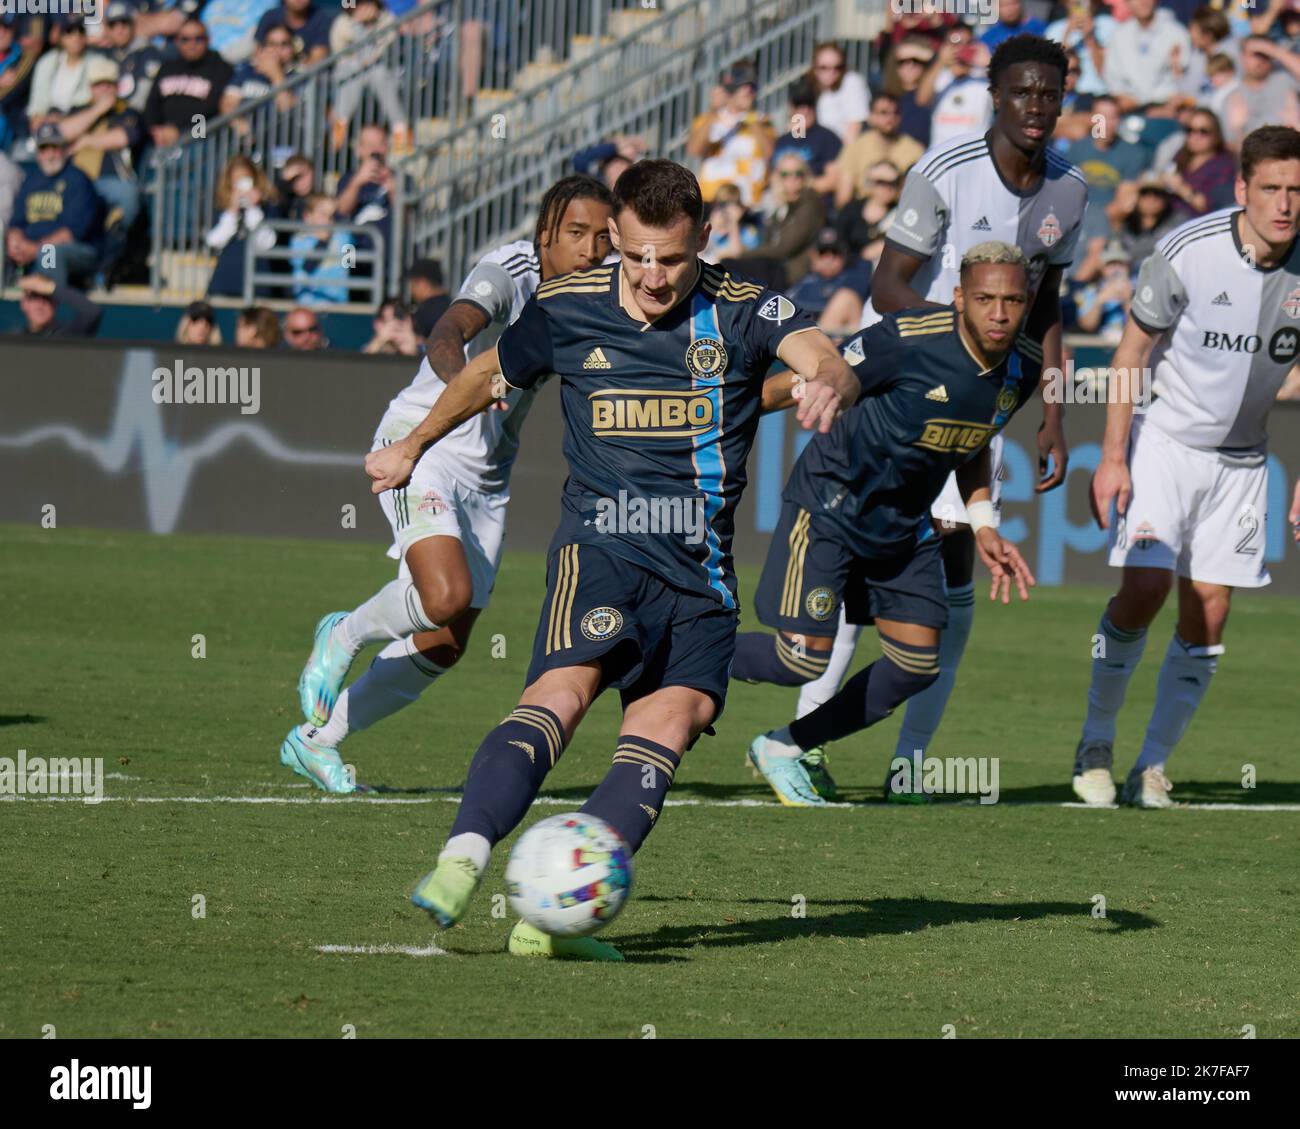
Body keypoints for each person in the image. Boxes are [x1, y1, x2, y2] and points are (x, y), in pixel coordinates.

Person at [364, 159, 859, 961]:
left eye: (670, 257)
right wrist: (414, 446)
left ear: (703, 237)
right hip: (600, 550)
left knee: (671, 722)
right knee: (558, 697)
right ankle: (463, 856)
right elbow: (489, 370)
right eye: (633, 256)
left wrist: (829, 381)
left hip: (699, 574)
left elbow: (821, 353)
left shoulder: (742, 307)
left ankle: (550, 914)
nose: (653, 276)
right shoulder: (566, 306)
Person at [789, 33, 1085, 802]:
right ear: (993, 94)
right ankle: (804, 744)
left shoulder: (1071, 190)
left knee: (952, 592)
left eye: (1049, 93)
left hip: (987, 403)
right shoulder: (944, 171)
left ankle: (909, 763)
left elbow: (1046, 304)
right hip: (910, 395)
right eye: (1021, 91)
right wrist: (954, 357)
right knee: (863, 577)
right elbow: (889, 287)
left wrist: (1052, 410)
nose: (1035, 106)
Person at [283, 176, 616, 792]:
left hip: (489, 480)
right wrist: (466, 382)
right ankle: (345, 632)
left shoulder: (605, 288)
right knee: (443, 595)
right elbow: (446, 332)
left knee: (444, 641)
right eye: (575, 233)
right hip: (422, 443)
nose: (591, 249)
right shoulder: (511, 268)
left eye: (603, 236)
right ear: (545, 236)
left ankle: (318, 742)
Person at [738, 244, 1037, 807]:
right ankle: (679, 648)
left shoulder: (1024, 368)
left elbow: (971, 442)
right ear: (959, 298)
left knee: (918, 661)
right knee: (798, 658)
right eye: (985, 299)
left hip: (903, 524)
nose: (998, 312)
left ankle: (785, 746)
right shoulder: (908, 337)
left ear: (1027, 303)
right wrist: (720, 414)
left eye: (1012, 300)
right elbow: (830, 372)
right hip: (831, 503)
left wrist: (984, 522)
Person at [1072, 126, 1300, 809]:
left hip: (1244, 462)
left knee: (1210, 612)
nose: (1286, 203)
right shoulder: (1189, 250)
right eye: (1271, 189)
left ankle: (1151, 766)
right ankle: (1095, 743)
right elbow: (1130, 354)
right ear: (1241, 189)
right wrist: (1113, 458)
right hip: (1166, 442)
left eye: (1297, 190)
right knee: (1144, 586)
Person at [59, 55, 144, 285]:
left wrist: (86, 141)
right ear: (90, 88)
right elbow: (61, 133)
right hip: (76, 181)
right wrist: (96, 111)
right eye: (99, 84)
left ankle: (105, 268)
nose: (104, 89)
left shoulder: (127, 112)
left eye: (109, 84)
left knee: (127, 197)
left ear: (117, 86)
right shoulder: (79, 110)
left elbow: (125, 136)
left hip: (111, 180)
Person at [6, 122, 102, 286]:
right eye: (44, 149)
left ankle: (48, 302)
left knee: (49, 253)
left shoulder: (77, 179)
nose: (50, 155)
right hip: (32, 247)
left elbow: (72, 233)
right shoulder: (31, 180)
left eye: (55, 148)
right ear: (37, 153)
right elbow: (17, 222)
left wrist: (35, 249)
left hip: (75, 250)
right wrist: (15, 242)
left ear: (64, 149)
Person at [687, 62, 775, 207]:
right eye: (743, 86)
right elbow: (694, 150)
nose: (748, 91)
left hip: (747, 201)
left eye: (752, 87)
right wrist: (714, 111)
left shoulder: (762, 120)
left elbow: (769, 152)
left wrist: (749, 117)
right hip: (712, 198)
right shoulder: (708, 119)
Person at [734, 151, 825, 288]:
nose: (792, 178)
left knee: (730, 266)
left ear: (805, 175)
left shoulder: (809, 203)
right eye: (785, 174)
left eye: (798, 173)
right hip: (773, 267)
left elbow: (783, 248)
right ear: (777, 177)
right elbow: (768, 241)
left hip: (792, 272)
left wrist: (742, 254)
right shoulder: (780, 204)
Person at [143, 16, 233, 151]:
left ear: (208, 40)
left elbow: (212, 109)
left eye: (198, 39)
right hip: (162, 140)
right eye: (185, 39)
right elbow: (152, 104)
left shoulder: (221, 68)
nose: (192, 44)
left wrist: (180, 131)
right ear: (177, 41)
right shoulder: (167, 68)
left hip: (201, 140)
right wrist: (156, 129)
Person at [832, 92, 924, 210]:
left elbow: (919, 197)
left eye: (895, 113)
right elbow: (843, 199)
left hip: (899, 211)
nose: (890, 118)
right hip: (863, 212)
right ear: (871, 117)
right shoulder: (856, 147)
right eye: (883, 113)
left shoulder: (915, 151)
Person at [205, 155, 280, 297]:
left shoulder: (268, 206)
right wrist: (232, 212)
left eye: (245, 179)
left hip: (258, 285)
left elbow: (266, 243)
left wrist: (253, 208)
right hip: (225, 284)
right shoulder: (222, 207)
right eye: (236, 181)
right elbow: (214, 242)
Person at [1102, 0, 1193, 115]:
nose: (1142, 2)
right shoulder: (1119, 35)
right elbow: (1112, 79)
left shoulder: (1176, 33)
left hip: (1166, 107)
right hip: (1129, 108)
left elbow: (1184, 79)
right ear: (1127, 3)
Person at [786, 227, 872, 334]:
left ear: (844, 254)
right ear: (813, 255)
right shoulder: (805, 280)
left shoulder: (856, 272)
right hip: (803, 334)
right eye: (823, 252)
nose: (829, 258)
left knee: (846, 298)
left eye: (835, 252)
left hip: (840, 339)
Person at [1159, 106, 1237, 218]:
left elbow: (1209, 206)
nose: (1195, 136)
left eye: (1203, 131)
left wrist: (1181, 188)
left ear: (1215, 134)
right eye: (1190, 130)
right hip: (1169, 219)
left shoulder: (1224, 165)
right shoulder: (1181, 154)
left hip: (1198, 224)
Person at [1223, 37, 1300, 149]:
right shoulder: (1233, 97)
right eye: (1255, 54)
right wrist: (1238, 129)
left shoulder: (1285, 78)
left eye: (1265, 55)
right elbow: (1233, 148)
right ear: (1242, 58)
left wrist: (1274, 50)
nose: (1261, 60)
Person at [772, 78, 841, 197]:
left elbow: (833, 180)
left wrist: (799, 188)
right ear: (790, 107)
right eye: (800, 105)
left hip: (813, 203)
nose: (806, 110)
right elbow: (773, 176)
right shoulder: (782, 141)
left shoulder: (827, 138)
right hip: (783, 203)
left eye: (809, 104)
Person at [26, 15, 92, 131]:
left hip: (79, 126)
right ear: (61, 38)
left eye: (81, 31)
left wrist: (64, 119)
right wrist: (38, 117)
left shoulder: (95, 63)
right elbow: (37, 104)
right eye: (69, 32)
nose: (76, 37)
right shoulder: (47, 62)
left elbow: (89, 102)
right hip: (46, 124)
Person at [834, 158, 901, 264]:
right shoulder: (851, 210)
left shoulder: (900, 215)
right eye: (881, 182)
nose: (888, 188)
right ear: (870, 183)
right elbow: (837, 243)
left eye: (894, 183)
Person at [289, 193, 350, 305]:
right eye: (323, 214)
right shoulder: (299, 240)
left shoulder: (343, 236)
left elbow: (350, 265)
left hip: (338, 302)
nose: (328, 220)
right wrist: (323, 242)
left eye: (332, 215)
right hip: (307, 302)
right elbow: (307, 267)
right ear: (307, 216)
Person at [810, 41, 870, 145]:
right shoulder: (811, 90)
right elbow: (797, 126)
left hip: (844, 151)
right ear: (815, 69)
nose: (832, 72)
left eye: (838, 67)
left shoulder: (851, 81)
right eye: (824, 68)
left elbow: (854, 126)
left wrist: (844, 159)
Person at [11, 272, 101, 336]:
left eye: (47, 297)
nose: (40, 304)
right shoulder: (13, 340)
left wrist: (49, 288)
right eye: (34, 297)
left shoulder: (68, 336)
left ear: (56, 303)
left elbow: (92, 312)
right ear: (24, 304)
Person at [256, 0, 331, 66]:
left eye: (284, 44)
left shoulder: (322, 20)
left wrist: (278, 76)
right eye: (273, 44)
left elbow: (316, 65)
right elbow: (257, 55)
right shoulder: (270, 17)